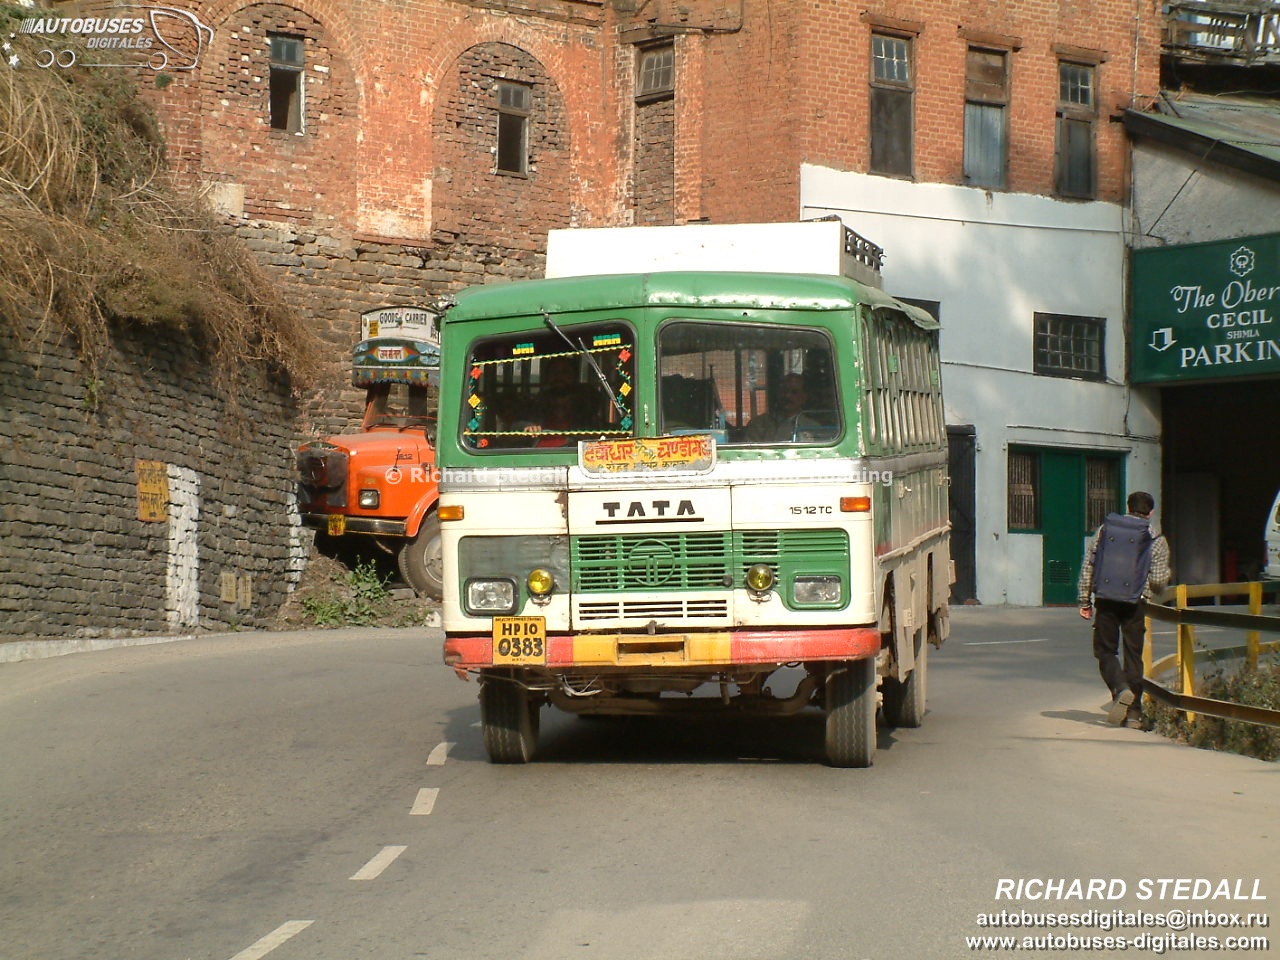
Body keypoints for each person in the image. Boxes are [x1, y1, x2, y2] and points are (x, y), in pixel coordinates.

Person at [1077, 491, 1172, 729]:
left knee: (1105, 651)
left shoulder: (1104, 530)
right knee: (1133, 655)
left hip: (1106, 599)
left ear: (1128, 507)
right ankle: (1134, 715)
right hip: (1135, 602)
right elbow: (1159, 581)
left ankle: (1120, 688)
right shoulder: (1155, 538)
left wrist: (1084, 600)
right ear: (1151, 512)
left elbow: (1089, 565)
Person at [745, 373, 809, 442]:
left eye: (794, 392)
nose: (787, 396)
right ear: (778, 394)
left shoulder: (811, 426)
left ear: (803, 397)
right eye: (784, 391)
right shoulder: (758, 424)